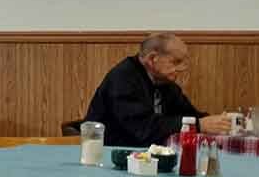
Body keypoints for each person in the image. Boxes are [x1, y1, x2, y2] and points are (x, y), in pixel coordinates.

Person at [86, 33, 231, 146]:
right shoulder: (123, 78)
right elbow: (144, 129)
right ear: (152, 59)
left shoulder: (165, 82)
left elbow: (188, 114)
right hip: (112, 156)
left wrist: (216, 121)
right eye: (176, 62)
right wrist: (199, 125)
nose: (182, 69)